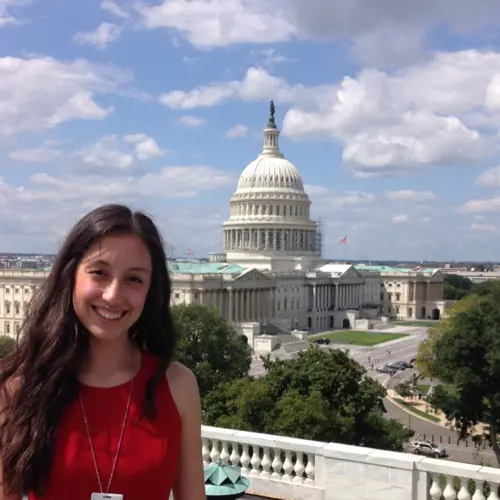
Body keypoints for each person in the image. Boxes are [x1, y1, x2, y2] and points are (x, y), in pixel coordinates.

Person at [0, 204, 206, 500]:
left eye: (134, 279)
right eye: (99, 273)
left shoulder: (177, 386)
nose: (112, 295)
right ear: (71, 276)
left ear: (151, 291)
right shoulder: (18, 389)